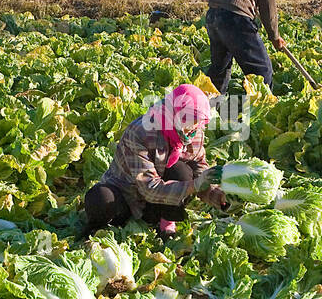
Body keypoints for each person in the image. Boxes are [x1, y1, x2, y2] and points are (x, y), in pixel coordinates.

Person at [84, 84, 227, 239]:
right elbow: (148, 187)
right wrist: (195, 185)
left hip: (156, 201)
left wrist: (217, 195)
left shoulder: (193, 131)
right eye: (187, 119)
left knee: (183, 171)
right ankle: (101, 232)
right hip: (126, 193)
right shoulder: (140, 132)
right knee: (101, 199)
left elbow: (199, 166)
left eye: (197, 121)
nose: (192, 127)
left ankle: (166, 223)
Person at [205, 0, 292, 94]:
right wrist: (275, 37)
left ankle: (208, 112)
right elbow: (268, 8)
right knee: (262, 71)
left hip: (213, 17)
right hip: (235, 20)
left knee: (219, 70)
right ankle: (263, 113)